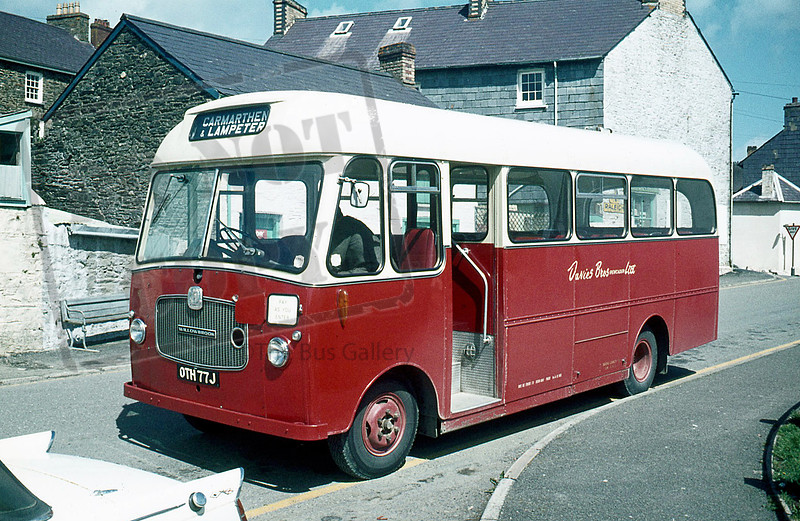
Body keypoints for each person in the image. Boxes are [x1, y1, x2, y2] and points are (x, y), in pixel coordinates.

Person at [329, 208, 380, 274]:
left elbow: (335, 263)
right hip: (375, 266)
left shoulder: (342, 227)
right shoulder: (351, 222)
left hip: (368, 271)